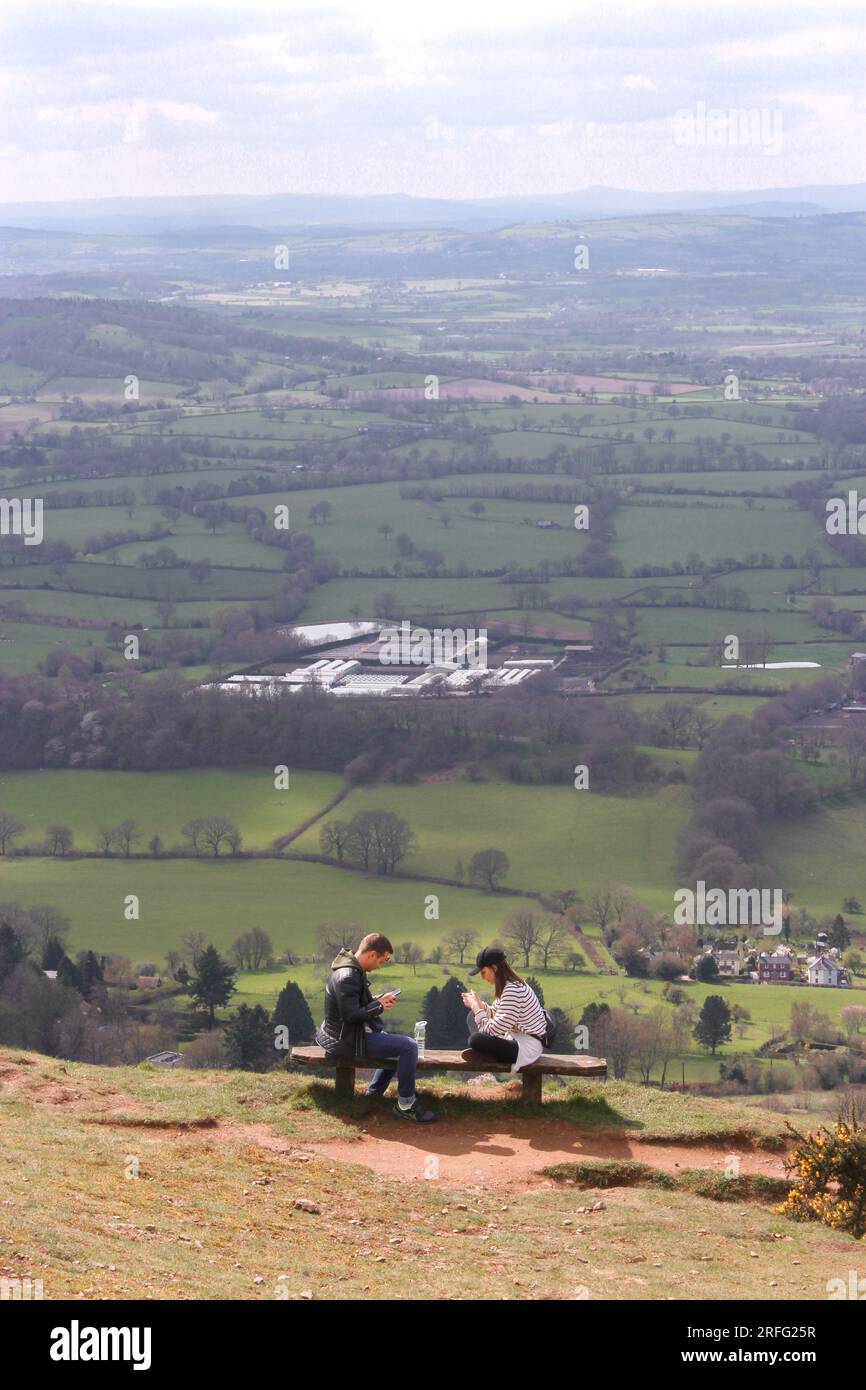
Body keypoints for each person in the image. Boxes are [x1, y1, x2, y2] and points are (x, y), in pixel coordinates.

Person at [316, 932, 434, 1123]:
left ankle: (373, 1096)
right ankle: (406, 1105)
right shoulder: (348, 976)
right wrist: (379, 1006)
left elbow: (355, 1004)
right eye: (383, 960)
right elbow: (351, 1015)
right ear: (372, 955)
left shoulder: (351, 969)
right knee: (408, 1046)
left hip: (343, 1036)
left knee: (396, 1045)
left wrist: (377, 999)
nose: (381, 966)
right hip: (346, 1042)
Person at [460, 945, 546, 1073]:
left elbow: (489, 1031)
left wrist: (477, 1008)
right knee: (471, 1016)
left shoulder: (512, 990)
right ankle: (487, 1053)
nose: (483, 977)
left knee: (476, 1039)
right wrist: (480, 1005)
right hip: (514, 1038)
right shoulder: (508, 986)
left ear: (494, 968)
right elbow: (496, 1014)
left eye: (483, 972)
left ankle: (486, 1053)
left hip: (526, 1047)